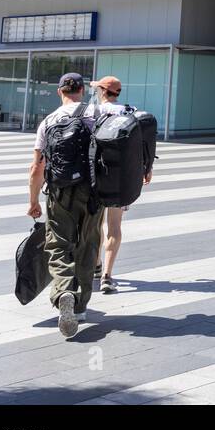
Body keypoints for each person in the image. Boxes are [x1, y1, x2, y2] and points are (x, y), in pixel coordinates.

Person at [26, 72, 101, 339]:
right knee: (88, 244)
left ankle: (64, 291)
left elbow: (37, 167)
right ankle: (80, 307)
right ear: (82, 90)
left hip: (59, 191)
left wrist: (33, 201)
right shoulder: (97, 114)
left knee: (58, 244)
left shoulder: (48, 121)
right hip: (92, 193)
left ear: (60, 92)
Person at [85, 75, 153, 295]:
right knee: (114, 227)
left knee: (95, 225)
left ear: (103, 91)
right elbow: (141, 144)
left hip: (96, 177)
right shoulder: (129, 111)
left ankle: (96, 265)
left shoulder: (92, 112)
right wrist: (147, 168)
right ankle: (107, 275)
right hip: (121, 178)